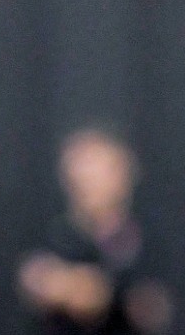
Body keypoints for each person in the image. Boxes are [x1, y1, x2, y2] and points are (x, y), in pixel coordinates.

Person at [17, 127, 171, 335]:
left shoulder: (148, 236)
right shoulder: (54, 233)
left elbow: (151, 305)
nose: (88, 182)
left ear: (123, 174)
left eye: (97, 172)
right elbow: (35, 278)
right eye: (81, 173)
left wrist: (99, 294)